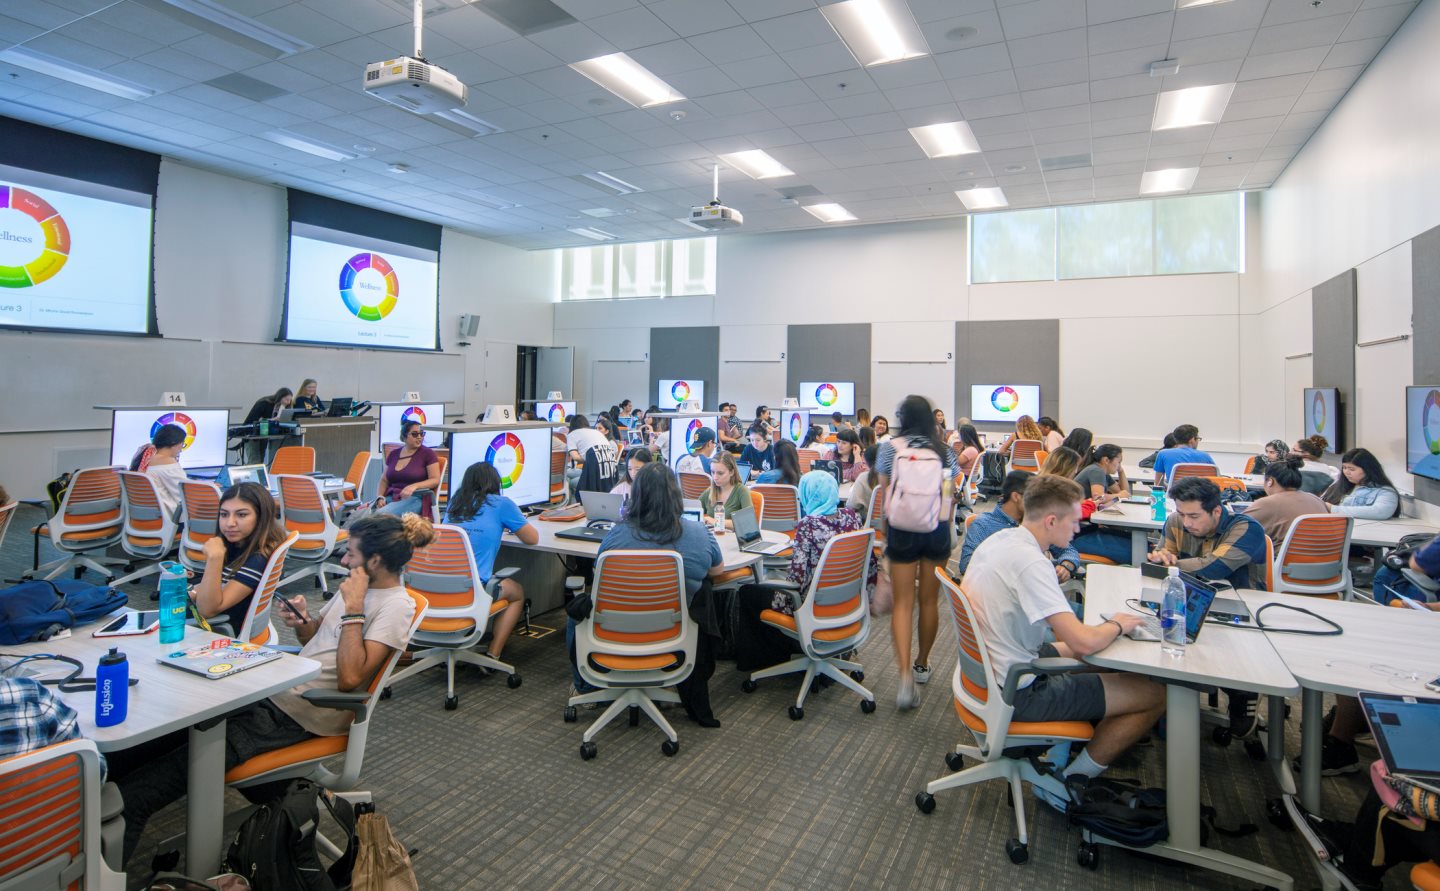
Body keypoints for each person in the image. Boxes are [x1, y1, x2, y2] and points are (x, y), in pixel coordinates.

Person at [118, 513, 432, 861]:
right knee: (141, 745)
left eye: (351, 554)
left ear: (374, 561)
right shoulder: (356, 587)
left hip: (298, 717)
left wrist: (354, 608)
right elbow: (318, 640)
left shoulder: (394, 606)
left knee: (137, 796)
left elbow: (350, 678)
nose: (342, 560)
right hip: (274, 693)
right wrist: (302, 622)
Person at [964, 474, 1165, 796]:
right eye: (1074, 522)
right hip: (1018, 689)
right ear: (1051, 520)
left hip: (993, 670)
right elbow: (1082, 641)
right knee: (1154, 695)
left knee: (1103, 659)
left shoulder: (1001, 540)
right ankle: (1071, 783)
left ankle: (1063, 753)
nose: (1077, 530)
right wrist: (1117, 624)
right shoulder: (1030, 563)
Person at [587, 463, 725, 727]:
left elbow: (597, 574)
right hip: (672, 635)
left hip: (615, 632)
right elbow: (717, 570)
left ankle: (584, 688)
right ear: (676, 495)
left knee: (577, 610)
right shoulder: (698, 534)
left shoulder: (617, 535)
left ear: (637, 496)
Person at [733, 471, 874, 671]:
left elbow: (796, 578)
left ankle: (767, 660)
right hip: (847, 603)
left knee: (749, 592)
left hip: (813, 606)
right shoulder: (851, 518)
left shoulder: (809, 525)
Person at [875, 395, 959, 710]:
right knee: (928, 600)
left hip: (901, 530)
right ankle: (922, 663)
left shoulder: (888, 449)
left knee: (903, 603)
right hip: (936, 530)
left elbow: (885, 495)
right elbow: (949, 497)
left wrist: (886, 538)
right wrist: (945, 528)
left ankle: (904, 678)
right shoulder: (945, 452)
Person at [445, 462, 537, 663]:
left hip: (441, 589)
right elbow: (532, 538)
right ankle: (493, 653)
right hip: (473, 591)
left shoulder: (454, 503)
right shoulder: (501, 504)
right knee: (517, 593)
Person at [191, 482, 287, 634]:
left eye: (241, 515)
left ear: (261, 517)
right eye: (224, 514)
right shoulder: (236, 545)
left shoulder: (258, 558)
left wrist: (214, 559)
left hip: (218, 632)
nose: (230, 523)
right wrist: (193, 593)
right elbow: (216, 584)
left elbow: (207, 611)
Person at [958, 469, 1081, 582]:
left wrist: (1066, 566)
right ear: (1016, 497)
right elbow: (966, 565)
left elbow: (1069, 550)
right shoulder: (983, 524)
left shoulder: (1035, 523)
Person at [1149, 476, 1268, 589]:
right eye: (1181, 514)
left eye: (1194, 516)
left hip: (1241, 600)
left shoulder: (1247, 529)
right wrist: (1161, 558)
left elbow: (1214, 567)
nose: (1186, 523)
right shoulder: (1175, 520)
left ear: (1216, 511)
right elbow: (1164, 557)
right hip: (1188, 594)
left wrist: (1168, 566)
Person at [1243, 456, 1330, 545]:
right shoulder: (1316, 500)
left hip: (1284, 557)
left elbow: (1238, 526)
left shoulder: (1268, 503)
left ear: (1270, 481)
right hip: (1328, 556)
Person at [376, 420, 441, 516]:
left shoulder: (428, 454)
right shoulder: (394, 454)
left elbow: (435, 480)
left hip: (415, 499)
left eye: (422, 434)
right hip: (392, 497)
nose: (419, 437)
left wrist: (414, 486)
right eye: (415, 434)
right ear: (404, 436)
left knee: (380, 516)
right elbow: (384, 480)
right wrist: (380, 497)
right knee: (362, 514)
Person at [1323, 447, 1400, 519]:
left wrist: (1334, 509)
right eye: (1344, 467)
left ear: (1367, 470)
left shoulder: (1384, 492)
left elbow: (1381, 511)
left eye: (1352, 469)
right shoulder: (1338, 486)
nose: (1347, 472)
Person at [137, 423, 188, 520]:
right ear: (174, 443)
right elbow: (183, 495)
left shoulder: (145, 457)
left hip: (142, 519)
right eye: (182, 444)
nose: (181, 449)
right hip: (169, 520)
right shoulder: (168, 463)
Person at [700, 451, 750, 529]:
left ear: (732, 472)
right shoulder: (709, 491)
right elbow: (694, 512)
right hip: (713, 537)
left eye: (720, 473)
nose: (715, 477)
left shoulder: (742, 491)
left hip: (732, 539)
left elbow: (747, 522)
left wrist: (716, 521)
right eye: (712, 472)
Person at [1151, 424, 1216, 484]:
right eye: (1198, 439)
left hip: (1175, 495)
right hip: (1200, 495)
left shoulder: (1163, 454)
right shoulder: (1205, 456)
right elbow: (1215, 481)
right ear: (1192, 439)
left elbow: (1158, 484)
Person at [566, 414, 610, 489]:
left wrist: (588, 460)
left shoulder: (571, 435)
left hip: (593, 476)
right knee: (569, 474)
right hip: (608, 474)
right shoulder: (597, 432)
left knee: (568, 480)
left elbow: (575, 457)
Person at [847, 445, 880, 521]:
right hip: (892, 526)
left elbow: (851, 505)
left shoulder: (864, 477)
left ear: (867, 461)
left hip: (867, 524)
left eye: (864, 463)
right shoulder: (895, 477)